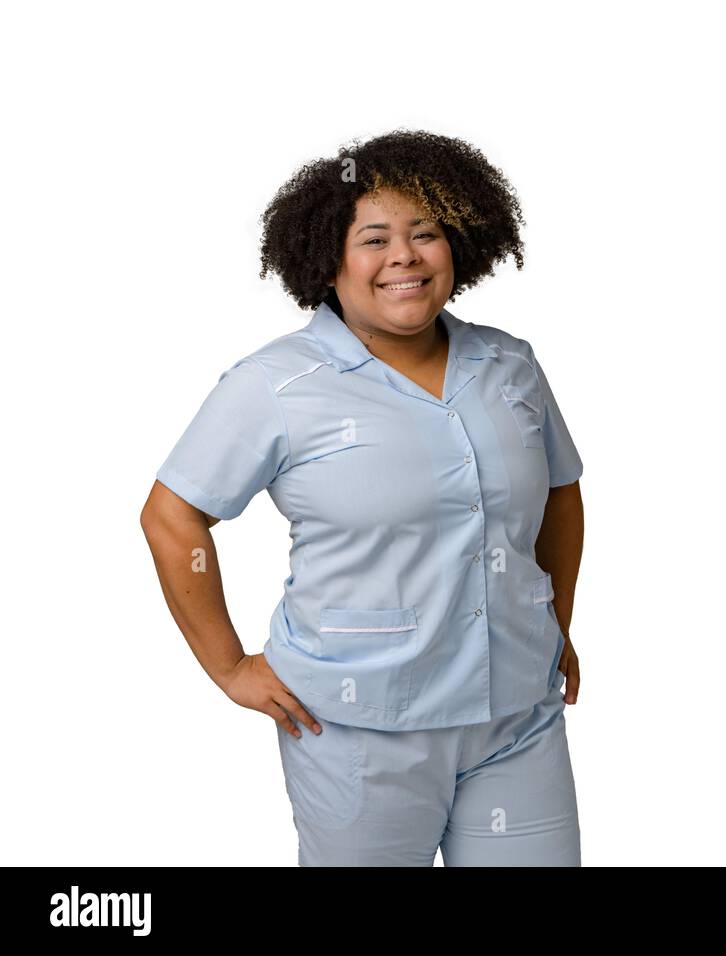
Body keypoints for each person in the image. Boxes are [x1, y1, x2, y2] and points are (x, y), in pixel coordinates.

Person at [139, 130, 585, 866]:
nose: (404, 257)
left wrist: (553, 624)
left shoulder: (511, 364)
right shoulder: (274, 385)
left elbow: (560, 495)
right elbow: (172, 515)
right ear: (327, 258)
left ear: (459, 246)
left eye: (426, 234)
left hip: (517, 721)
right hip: (355, 733)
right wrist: (228, 667)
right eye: (373, 238)